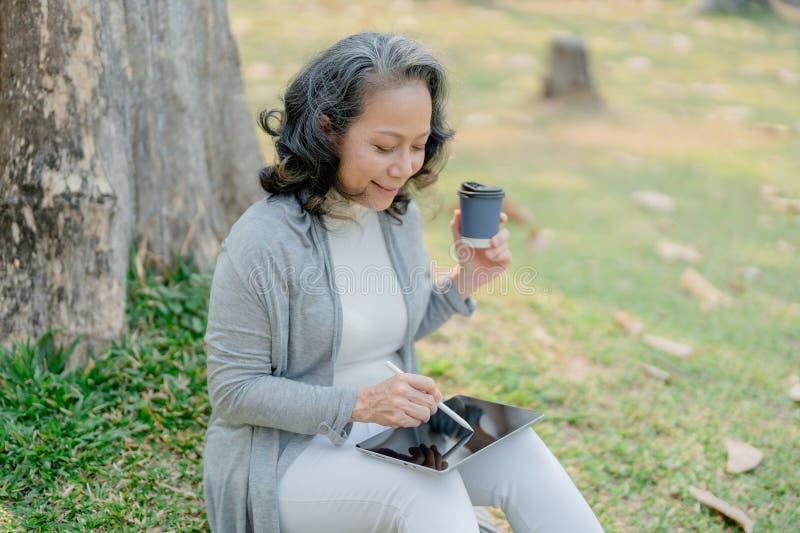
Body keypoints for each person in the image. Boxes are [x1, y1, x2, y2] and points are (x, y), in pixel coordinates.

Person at [202, 32, 603, 533]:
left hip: (389, 436)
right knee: (424, 484)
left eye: (418, 146)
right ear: (328, 130)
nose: (404, 168)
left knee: (513, 445)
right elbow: (234, 391)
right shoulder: (263, 240)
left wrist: (468, 279)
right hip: (285, 460)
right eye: (384, 146)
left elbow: (395, 325)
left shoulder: (396, 216)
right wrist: (361, 403)